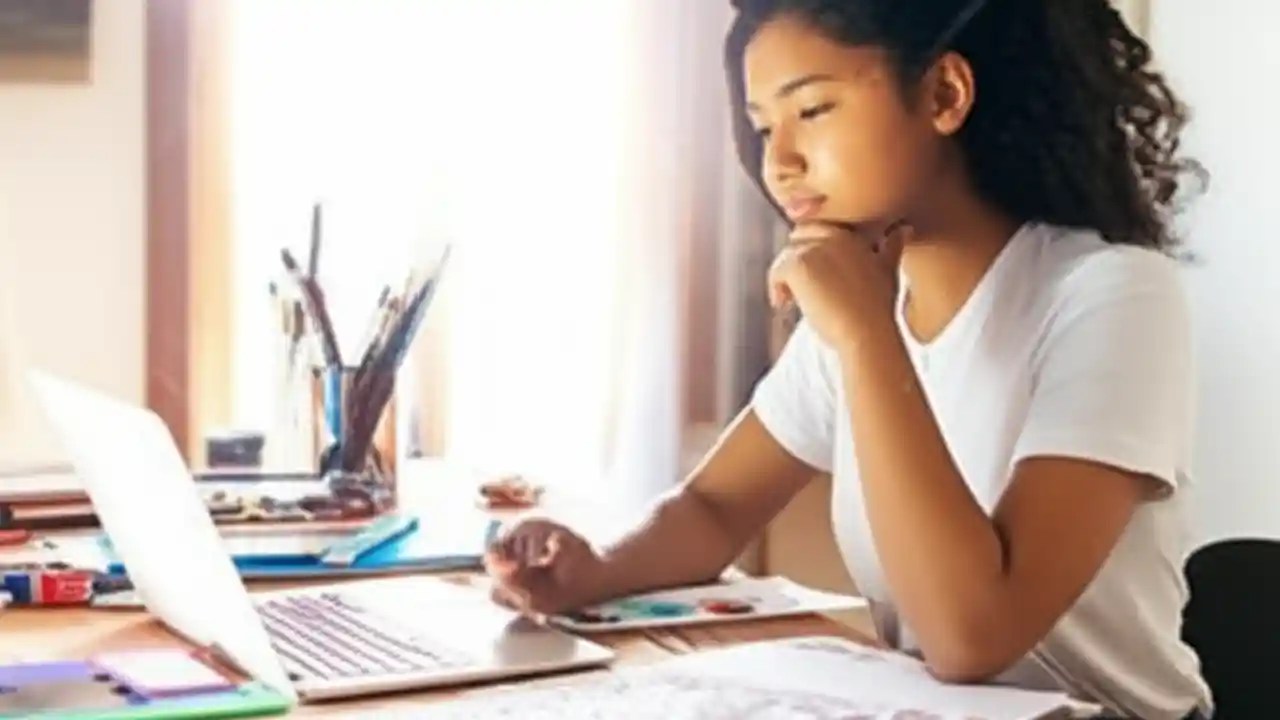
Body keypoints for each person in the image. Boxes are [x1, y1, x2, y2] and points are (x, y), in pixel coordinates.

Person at [485, 0, 1210, 717]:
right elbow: (714, 507)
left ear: (943, 94)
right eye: (764, 124)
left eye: (814, 110)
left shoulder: (1112, 296)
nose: (779, 160)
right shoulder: (866, 302)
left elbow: (972, 637)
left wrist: (866, 336)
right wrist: (596, 568)